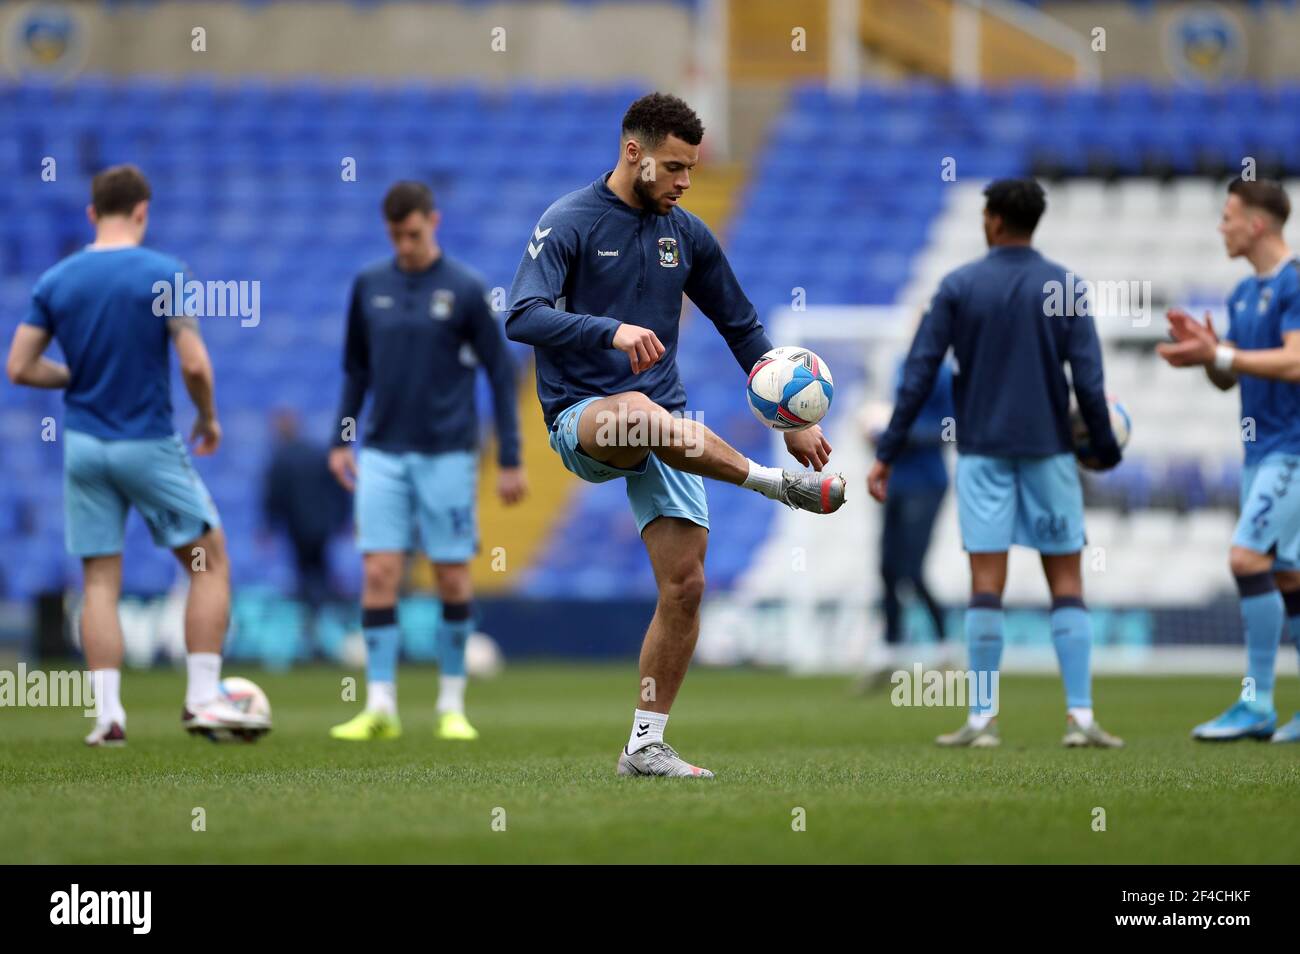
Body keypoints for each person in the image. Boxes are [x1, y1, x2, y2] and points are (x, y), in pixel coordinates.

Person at [506, 92, 845, 779]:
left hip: (668, 424)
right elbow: (522, 315)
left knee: (686, 586)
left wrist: (793, 418)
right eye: (675, 167)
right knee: (635, 406)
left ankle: (645, 745)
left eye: (693, 169)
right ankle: (778, 489)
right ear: (634, 152)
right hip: (585, 416)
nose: (687, 182)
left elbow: (743, 327)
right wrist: (610, 330)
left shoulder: (685, 233)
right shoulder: (568, 221)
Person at [5, 164, 265, 745]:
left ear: (93, 213)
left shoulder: (57, 280)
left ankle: (108, 717)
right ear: (143, 211)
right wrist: (208, 415)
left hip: (84, 446)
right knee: (208, 560)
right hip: (145, 441)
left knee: (99, 580)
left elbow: (18, 366)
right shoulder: (163, 273)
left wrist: (75, 377)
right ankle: (202, 697)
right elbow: (195, 363)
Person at [867, 177, 1124, 748]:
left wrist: (886, 452)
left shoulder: (959, 287)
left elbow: (917, 374)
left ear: (992, 220)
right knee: (1066, 581)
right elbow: (1089, 380)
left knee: (986, 582)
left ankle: (982, 719)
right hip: (1050, 451)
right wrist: (1104, 449)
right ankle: (1080, 717)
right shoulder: (1066, 287)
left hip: (982, 453)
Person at [328, 181, 525, 742]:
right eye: (395, 235)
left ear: (432, 222)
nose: (405, 245)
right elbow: (355, 371)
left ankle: (451, 703)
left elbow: (499, 373)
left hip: (447, 455)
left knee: (451, 576)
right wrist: (341, 439)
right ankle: (381, 705)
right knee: (378, 572)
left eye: (412, 234)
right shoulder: (369, 285)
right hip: (384, 452)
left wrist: (509, 456)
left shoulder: (463, 289)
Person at [1156, 178, 1300, 743]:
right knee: (1287, 573)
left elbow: (1294, 363)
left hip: (1291, 451)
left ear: (1257, 224)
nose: (1221, 227)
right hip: (1259, 451)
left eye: (1228, 216)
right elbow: (1232, 375)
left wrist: (1220, 352)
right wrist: (1209, 356)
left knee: (1246, 560)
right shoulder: (1243, 294)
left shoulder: (1294, 283)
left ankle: (1257, 702)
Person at [860, 360, 954, 689]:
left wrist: (898, 434)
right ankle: (889, 652)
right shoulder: (901, 366)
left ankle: (946, 649)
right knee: (887, 568)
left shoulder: (944, 374)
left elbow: (948, 428)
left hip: (927, 482)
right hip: (896, 479)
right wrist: (879, 435)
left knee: (912, 570)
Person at [262, 408, 348, 612]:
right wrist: (343, 518)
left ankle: (312, 617)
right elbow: (339, 488)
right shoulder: (319, 453)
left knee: (304, 572)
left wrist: (269, 526)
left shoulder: (280, 459)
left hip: (296, 526)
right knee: (322, 568)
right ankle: (323, 612)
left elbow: (273, 496)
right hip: (323, 524)